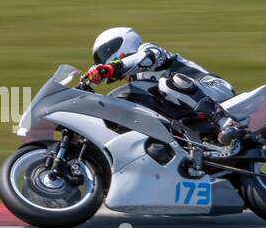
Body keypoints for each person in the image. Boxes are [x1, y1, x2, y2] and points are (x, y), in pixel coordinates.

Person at [85, 27, 243, 145]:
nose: (102, 61)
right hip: (192, 110)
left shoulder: (148, 50)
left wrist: (113, 68)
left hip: (213, 88)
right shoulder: (137, 81)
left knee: (167, 82)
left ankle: (226, 122)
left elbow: (149, 57)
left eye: (103, 55)